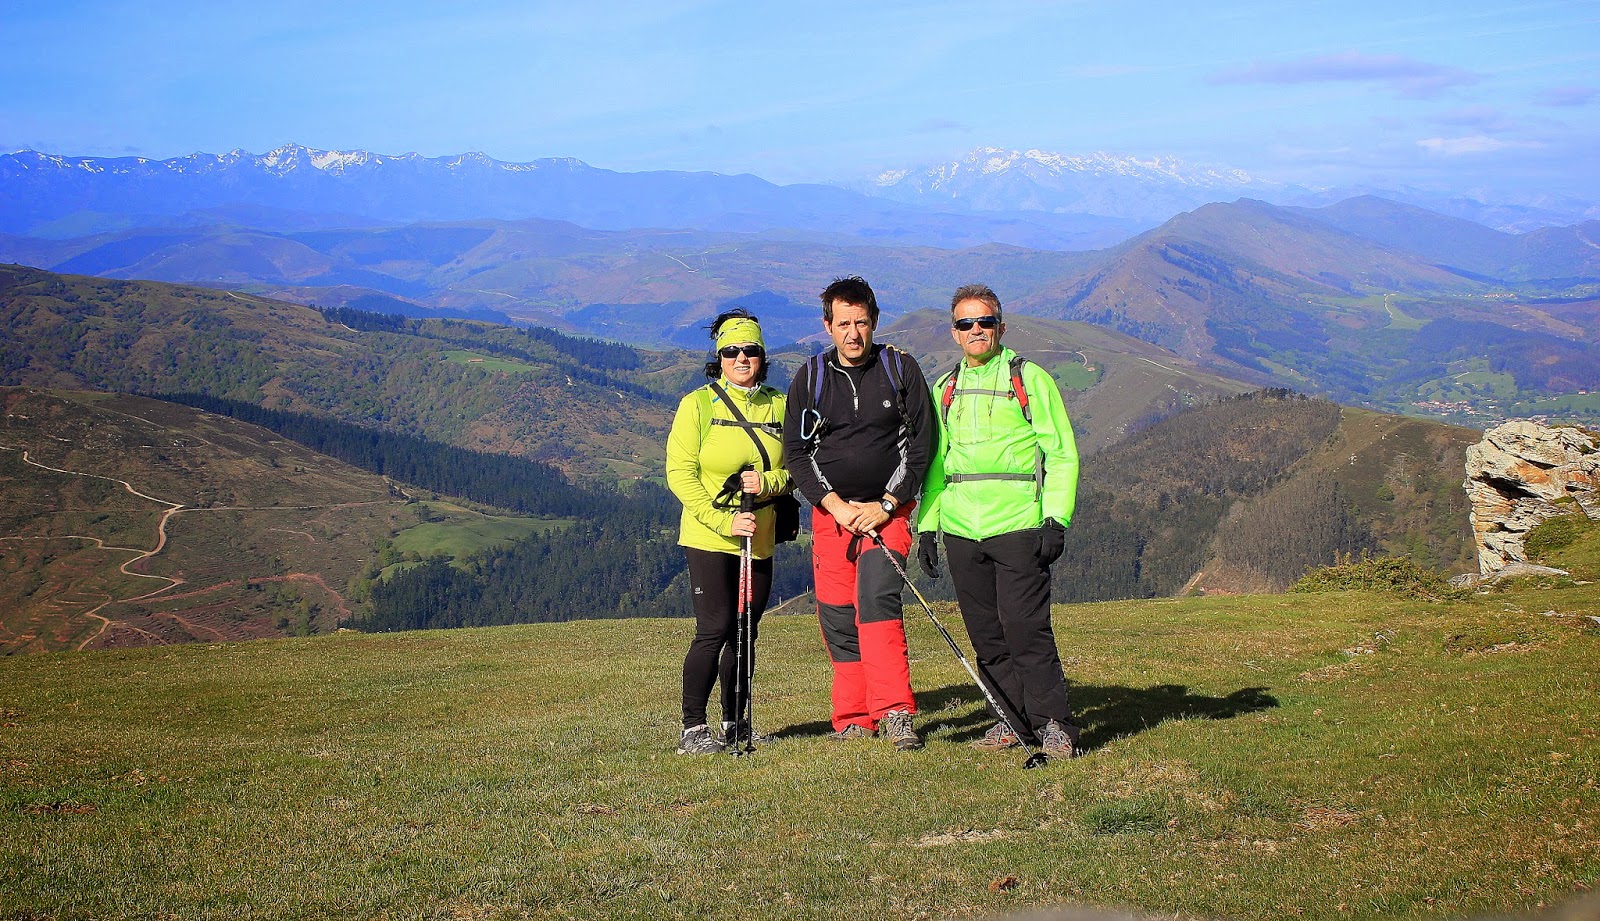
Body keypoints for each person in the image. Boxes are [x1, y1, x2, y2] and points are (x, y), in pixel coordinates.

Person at [915, 284, 1083, 759]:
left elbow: (1062, 453)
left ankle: (1055, 725)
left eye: (984, 322)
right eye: (966, 323)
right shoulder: (944, 389)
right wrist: (928, 528)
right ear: (954, 332)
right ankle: (1012, 720)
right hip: (963, 530)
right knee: (986, 633)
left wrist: (1056, 517)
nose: (976, 331)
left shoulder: (1029, 380)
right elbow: (936, 466)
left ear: (1000, 327)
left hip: (1018, 524)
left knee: (1026, 628)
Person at [783, 276, 935, 751]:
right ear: (827, 325)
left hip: (887, 516)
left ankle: (895, 712)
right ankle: (852, 718)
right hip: (832, 519)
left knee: (877, 604)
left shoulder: (900, 369)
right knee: (837, 618)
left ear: (874, 323)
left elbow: (923, 448)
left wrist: (886, 506)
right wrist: (834, 505)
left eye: (862, 323)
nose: (853, 333)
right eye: (843, 323)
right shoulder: (810, 378)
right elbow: (796, 452)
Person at [665, 309, 792, 755]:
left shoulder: (779, 404)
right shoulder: (697, 405)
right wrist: (723, 520)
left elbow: (795, 468)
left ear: (763, 356)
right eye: (731, 351)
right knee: (715, 628)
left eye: (751, 350)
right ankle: (694, 730)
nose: (742, 358)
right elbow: (680, 475)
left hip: (758, 536)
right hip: (707, 535)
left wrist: (769, 483)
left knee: (746, 630)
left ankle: (736, 722)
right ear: (718, 356)